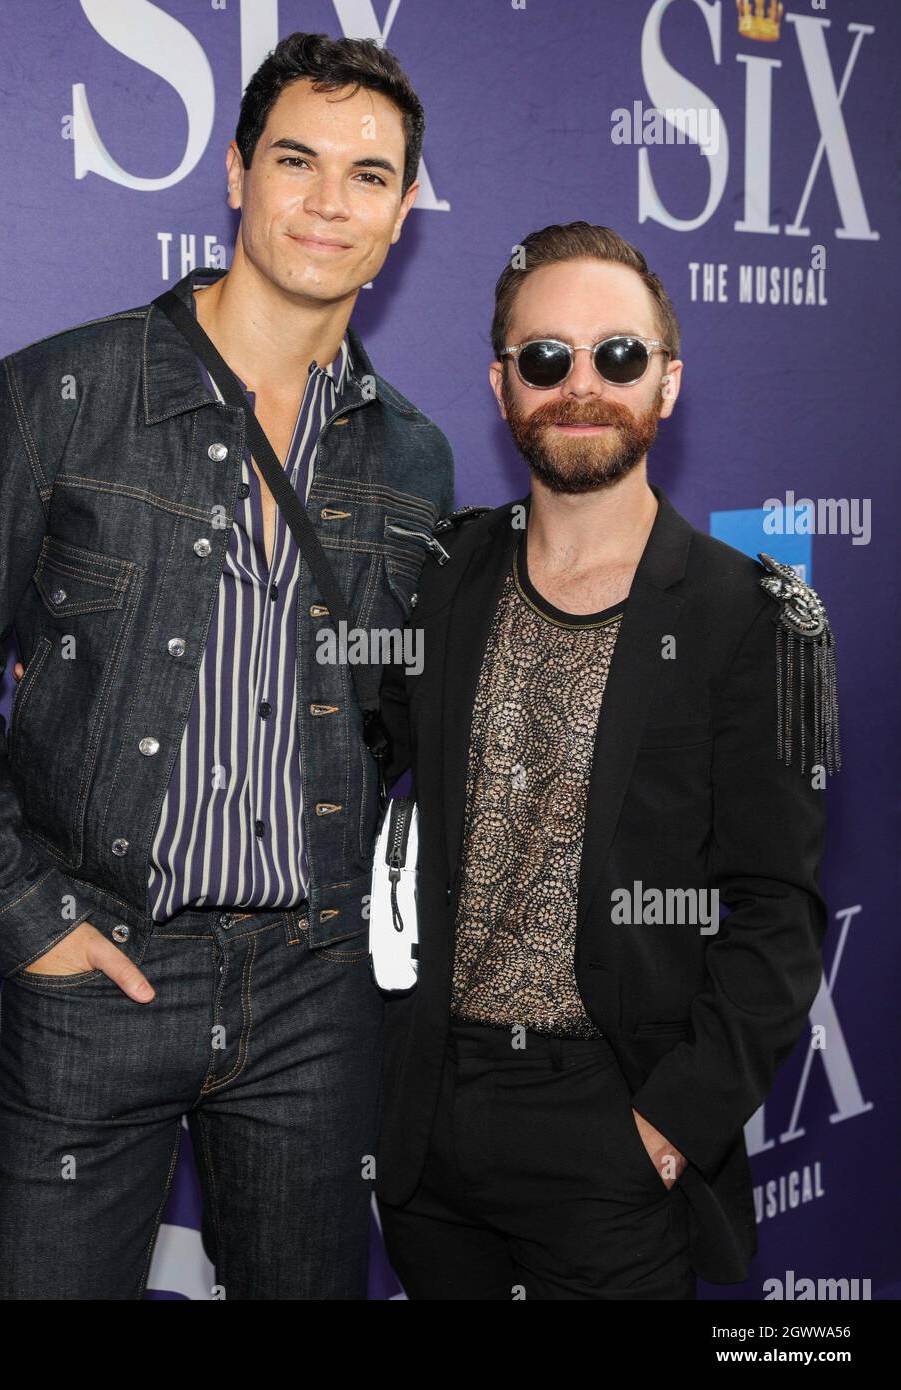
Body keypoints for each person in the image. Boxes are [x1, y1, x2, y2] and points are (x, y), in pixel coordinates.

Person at [0, 32, 452, 1300]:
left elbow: (398, 714)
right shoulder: (58, 394)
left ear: (404, 214)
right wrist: (26, 919)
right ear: (239, 169)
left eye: (370, 176)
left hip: (315, 991)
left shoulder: (413, 458)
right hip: (102, 969)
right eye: (297, 159)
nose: (328, 202)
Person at [374, 221, 839, 1300]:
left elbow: (777, 911)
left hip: (613, 1127)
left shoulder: (765, 621)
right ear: (502, 386)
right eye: (545, 358)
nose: (580, 386)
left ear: (668, 382)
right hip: (427, 1116)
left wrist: (668, 1124)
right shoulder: (442, 574)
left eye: (618, 356)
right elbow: (343, 748)